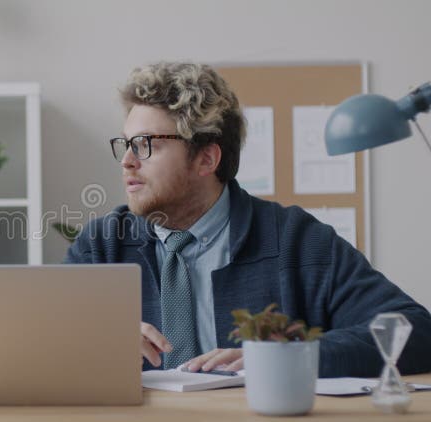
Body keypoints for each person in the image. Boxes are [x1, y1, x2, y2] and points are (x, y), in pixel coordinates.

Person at [65, 62, 431, 377]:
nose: (127, 161)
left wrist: (284, 360)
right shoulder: (103, 245)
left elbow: (415, 332)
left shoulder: (295, 240)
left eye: (145, 144)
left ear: (206, 160)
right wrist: (98, 340)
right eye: (125, 144)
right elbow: (42, 342)